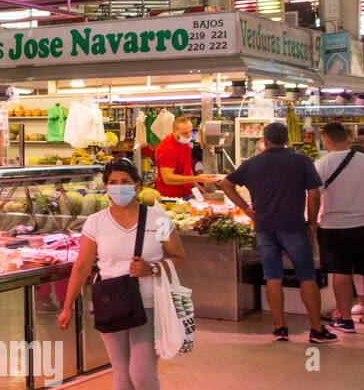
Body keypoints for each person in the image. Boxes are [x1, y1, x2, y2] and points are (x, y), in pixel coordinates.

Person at [59, 158, 184, 390]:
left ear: (137, 186)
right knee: (121, 372)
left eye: (124, 181)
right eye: (112, 182)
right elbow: (83, 265)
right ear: (105, 187)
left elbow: (178, 257)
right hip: (110, 303)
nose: (118, 187)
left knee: (141, 371)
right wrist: (67, 305)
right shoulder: (96, 222)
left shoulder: (158, 219)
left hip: (148, 303)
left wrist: (152, 268)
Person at [218, 122, 336, 343]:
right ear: (287, 140)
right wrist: (311, 222)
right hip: (294, 226)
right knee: (307, 276)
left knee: (272, 276)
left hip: (264, 227)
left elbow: (225, 184)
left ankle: (280, 327)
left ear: (265, 140)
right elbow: (314, 194)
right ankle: (316, 329)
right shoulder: (301, 161)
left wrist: (246, 208)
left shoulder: (253, 163)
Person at [314, 122, 364, 333]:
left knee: (340, 272)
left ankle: (345, 320)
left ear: (326, 140)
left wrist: (311, 222)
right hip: (362, 224)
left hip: (333, 226)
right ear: (347, 138)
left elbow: (314, 194)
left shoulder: (321, 164)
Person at [154, 116, 219, 198]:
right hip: (170, 196)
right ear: (174, 131)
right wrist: (197, 178)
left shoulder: (185, 143)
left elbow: (188, 169)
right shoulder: (167, 148)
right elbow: (167, 178)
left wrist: (198, 188)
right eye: (185, 133)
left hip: (186, 193)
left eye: (191, 131)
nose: (189, 136)